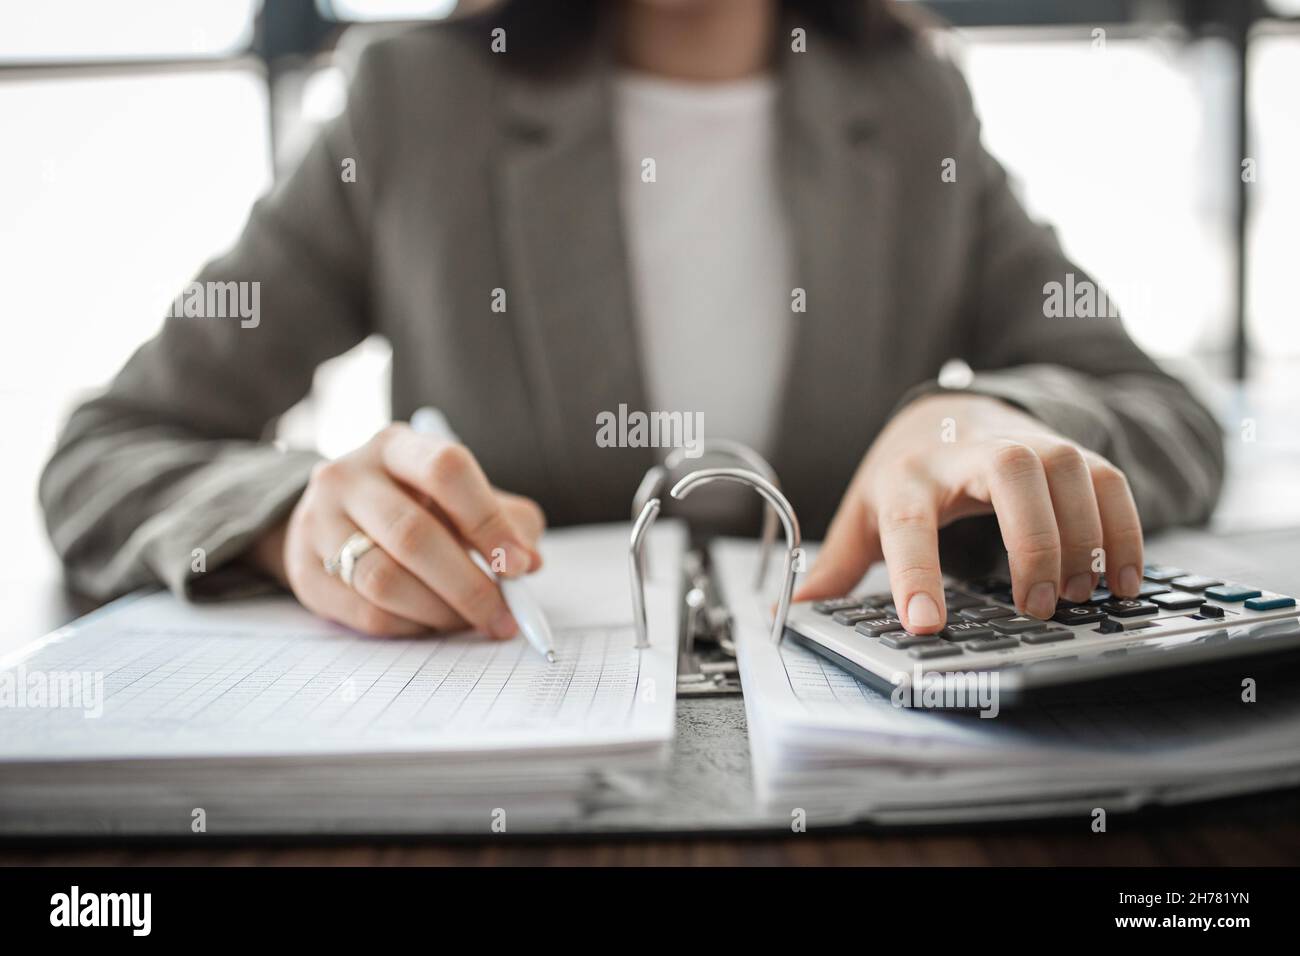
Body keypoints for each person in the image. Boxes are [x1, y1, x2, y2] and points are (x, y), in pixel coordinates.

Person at [40, 0, 1223, 643]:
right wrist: (289, 518)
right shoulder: (414, 104)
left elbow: (1165, 411)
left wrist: (993, 417)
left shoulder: (912, 106)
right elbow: (110, 449)